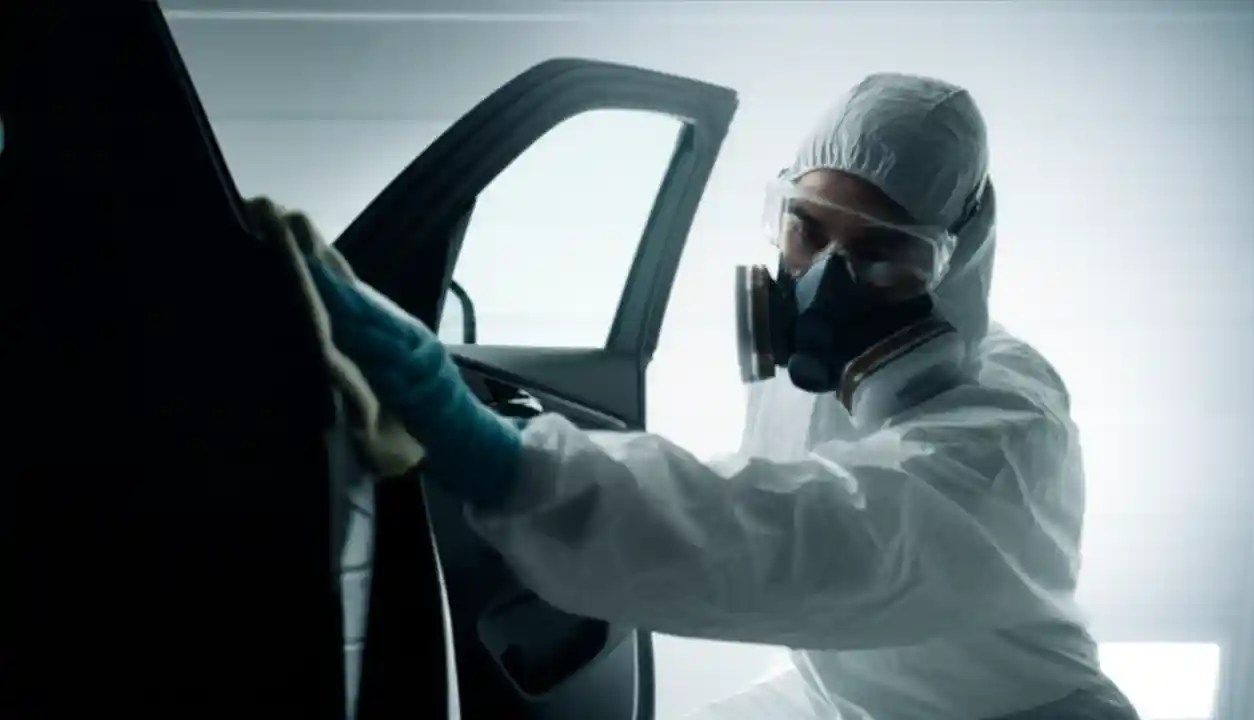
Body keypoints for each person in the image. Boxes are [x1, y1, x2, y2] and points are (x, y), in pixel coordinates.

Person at [300, 73, 1142, 719]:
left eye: (881, 250)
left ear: (952, 265)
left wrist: (517, 469)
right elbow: (756, 503)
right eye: (807, 226)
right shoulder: (805, 383)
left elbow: (805, 538)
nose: (820, 281)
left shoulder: (1009, 425)